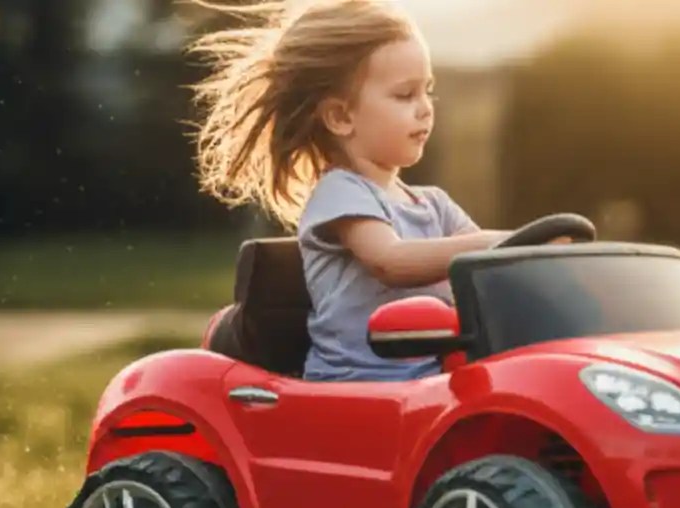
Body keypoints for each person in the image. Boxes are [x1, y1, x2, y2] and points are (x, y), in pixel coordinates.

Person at [188, 0, 514, 381]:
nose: (426, 109)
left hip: (427, 382)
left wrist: (533, 252)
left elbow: (490, 262)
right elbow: (389, 261)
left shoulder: (433, 204)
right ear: (341, 117)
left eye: (428, 91)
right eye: (405, 95)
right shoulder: (340, 193)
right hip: (358, 388)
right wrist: (492, 242)